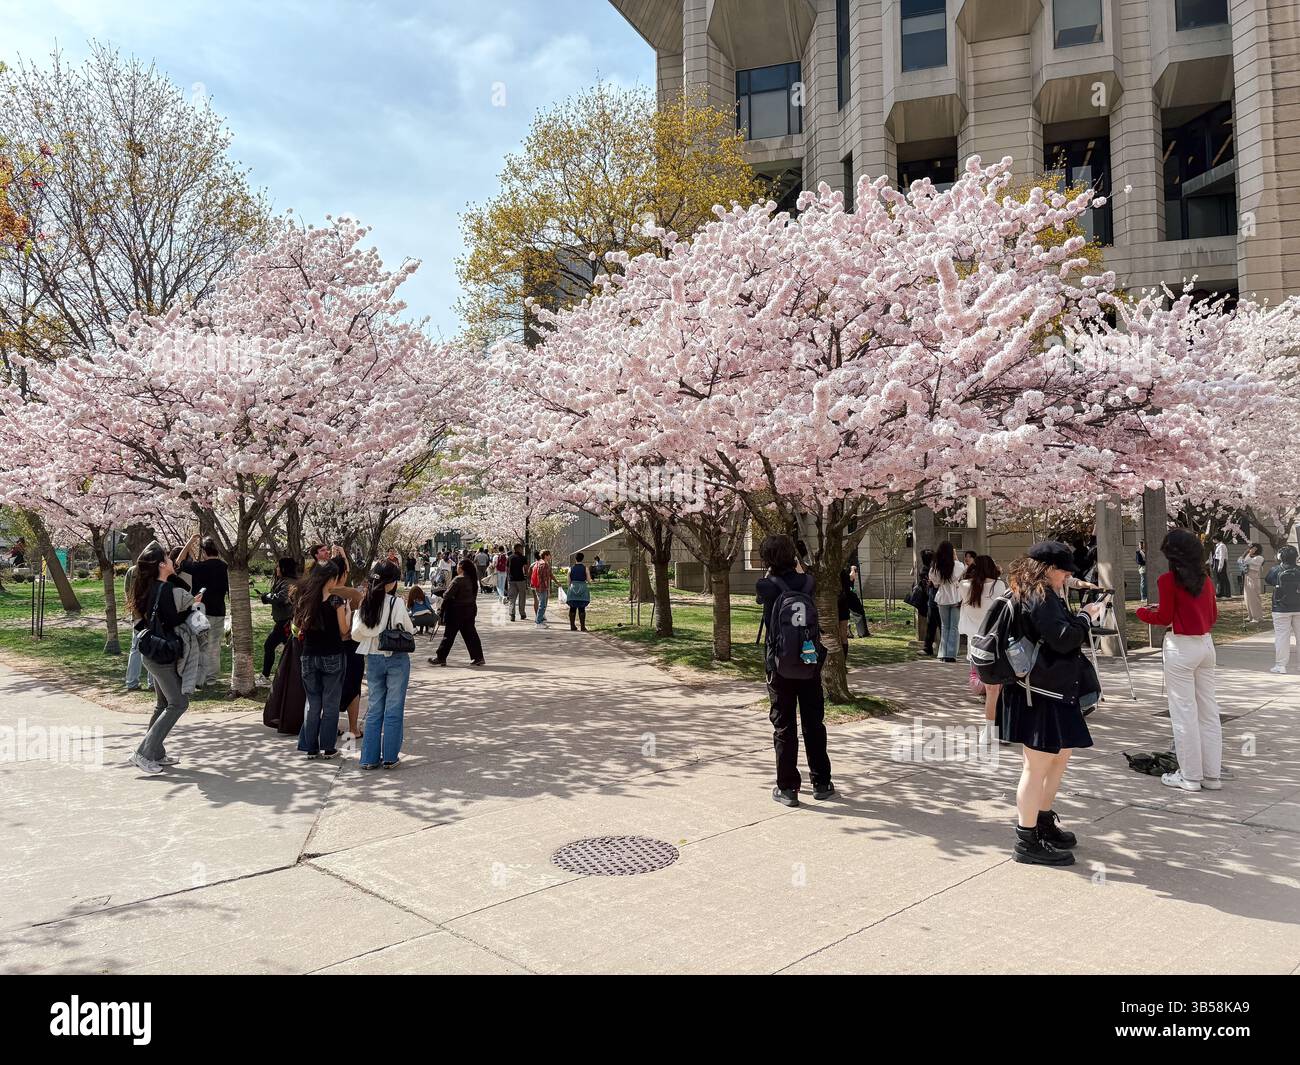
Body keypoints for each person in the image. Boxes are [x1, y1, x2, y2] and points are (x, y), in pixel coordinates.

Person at [998, 541, 1106, 867]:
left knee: (1058, 757)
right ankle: (1027, 838)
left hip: (1052, 691)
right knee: (1036, 766)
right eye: (1063, 570)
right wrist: (1086, 617)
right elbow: (1063, 639)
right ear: (1047, 569)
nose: (1067, 576)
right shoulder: (1039, 596)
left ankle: (1042, 820)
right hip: (1039, 693)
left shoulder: (1042, 593)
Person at [1136, 529, 1222, 792]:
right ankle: (1211, 775)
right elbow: (1213, 616)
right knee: (1208, 712)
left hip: (1181, 647)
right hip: (1206, 646)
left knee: (1184, 713)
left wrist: (1142, 612)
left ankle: (1190, 776)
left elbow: (1163, 618)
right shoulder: (1206, 581)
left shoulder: (1167, 581)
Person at [755, 534, 833, 807]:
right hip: (809, 662)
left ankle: (788, 788)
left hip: (779, 666)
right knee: (814, 722)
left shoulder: (765, 586)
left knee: (784, 725)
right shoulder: (808, 582)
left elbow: (761, 598)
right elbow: (804, 580)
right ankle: (822, 782)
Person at [127, 542, 203, 775]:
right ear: (161, 564)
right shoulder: (165, 589)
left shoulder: (151, 587)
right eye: (168, 560)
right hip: (162, 654)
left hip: (152, 650)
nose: (173, 562)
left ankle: (156, 752)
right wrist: (194, 607)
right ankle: (143, 753)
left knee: (162, 704)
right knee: (179, 703)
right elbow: (172, 621)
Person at [352, 561, 414, 770]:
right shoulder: (395, 603)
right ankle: (389, 756)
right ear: (391, 583)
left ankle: (368, 758)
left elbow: (356, 632)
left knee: (375, 707)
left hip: (372, 657)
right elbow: (407, 628)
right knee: (394, 708)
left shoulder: (365, 602)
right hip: (395, 657)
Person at [293, 557, 351, 759]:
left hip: (309, 655)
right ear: (332, 578)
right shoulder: (336, 601)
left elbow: (297, 627)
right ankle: (328, 747)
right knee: (331, 703)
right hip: (332, 654)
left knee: (312, 702)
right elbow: (344, 631)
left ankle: (310, 748)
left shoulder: (305, 598)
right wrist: (348, 616)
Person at [959, 554, 1007, 744]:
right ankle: (999, 728)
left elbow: (963, 579)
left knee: (989, 687)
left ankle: (989, 730)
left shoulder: (964, 587)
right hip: (995, 641)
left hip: (975, 643)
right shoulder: (999, 586)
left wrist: (969, 569)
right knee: (998, 688)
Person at [180, 536, 229, 688]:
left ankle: (199, 679)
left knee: (200, 646)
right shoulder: (225, 567)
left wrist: (190, 541)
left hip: (201, 611)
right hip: (219, 610)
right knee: (215, 646)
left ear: (204, 551)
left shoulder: (199, 567)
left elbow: (179, 562)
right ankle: (212, 678)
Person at [429, 558, 484, 666]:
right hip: (470, 610)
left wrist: (441, 607)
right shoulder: (472, 580)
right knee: (471, 634)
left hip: (456, 611)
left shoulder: (458, 580)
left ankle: (441, 657)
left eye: (458, 565)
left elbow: (447, 595)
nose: (457, 567)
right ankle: (478, 657)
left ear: (462, 568)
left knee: (449, 635)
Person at [258, 557, 297, 685]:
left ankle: (265, 676)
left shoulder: (288, 582)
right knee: (291, 649)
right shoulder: (285, 581)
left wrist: (266, 597)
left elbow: (281, 598)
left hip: (285, 622)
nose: (277, 569)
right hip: (284, 620)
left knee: (269, 645)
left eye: (279, 567)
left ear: (284, 568)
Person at [928, 540, 967, 662]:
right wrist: (955, 558)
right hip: (955, 597)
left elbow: (935, 583)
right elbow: (961, 569)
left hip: (942, 598)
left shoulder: (935, 567)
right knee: (954, 627)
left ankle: (943, 653)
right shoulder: (957, 565)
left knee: (945, 627)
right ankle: (951, 654)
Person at [1264, 545, 1300, 674]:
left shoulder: (1275, 570)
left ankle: (1281, 665)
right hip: (1299, 607)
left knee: (1281, 638)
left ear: (1280, 557)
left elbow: (1269, 580)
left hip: (1280, 608)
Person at [123, 560, 153, 692]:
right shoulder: (154, 570)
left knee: (135, 648)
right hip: (150, 615)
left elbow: (127, 593)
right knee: (152, 649)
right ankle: (152, 682)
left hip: (136, 615)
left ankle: (131, 681)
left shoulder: (132, 571)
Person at [567, 552, 592, 631]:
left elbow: (568, 581)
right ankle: (583, 626)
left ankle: (572, 626)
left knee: (572, 607)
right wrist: (590, 581)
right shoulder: (585, 568)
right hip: (582, 588)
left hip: (573, 587)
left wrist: (570, 587)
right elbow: (588, 580)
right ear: (582, 558)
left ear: (575, 559)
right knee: (582, 608)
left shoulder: (571, 568)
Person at [1242, 543, 1266, 624]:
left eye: (1252, 548)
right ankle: (1250, 615)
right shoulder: (1251, 556)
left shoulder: (1259, 558)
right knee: (1247, 597)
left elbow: (1247, 561)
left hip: (1253, 578)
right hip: (1247, 577)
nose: (1250, 549)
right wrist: (1248, 552)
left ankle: (1257, 617)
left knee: (1254, 597)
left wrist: (1250, 553)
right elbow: (1242, 561)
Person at [506, 543, 529, 621]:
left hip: (512, 580)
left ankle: (512, 614)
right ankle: (522, 614)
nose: (522, 550)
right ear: (519, 549)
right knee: (522, 597)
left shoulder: (509, 557)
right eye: (521, 548)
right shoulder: (523, 558)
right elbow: (526, 568)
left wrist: (509, 577)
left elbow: (507, 569)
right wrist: (526, 575)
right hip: (521, 579)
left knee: (512, 598)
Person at [534, 550, 556, 625]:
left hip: (538, 586)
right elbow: (544, 578)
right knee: (542, 605)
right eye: (549, 555)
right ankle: (538, 622)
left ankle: (540, 620)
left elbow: (550, 575)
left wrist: (556, 582)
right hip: (542, 587)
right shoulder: (544, 565)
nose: (550, 556)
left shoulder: (538, 563)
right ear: (546, 555)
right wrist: (547, 588)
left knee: (542, 604)